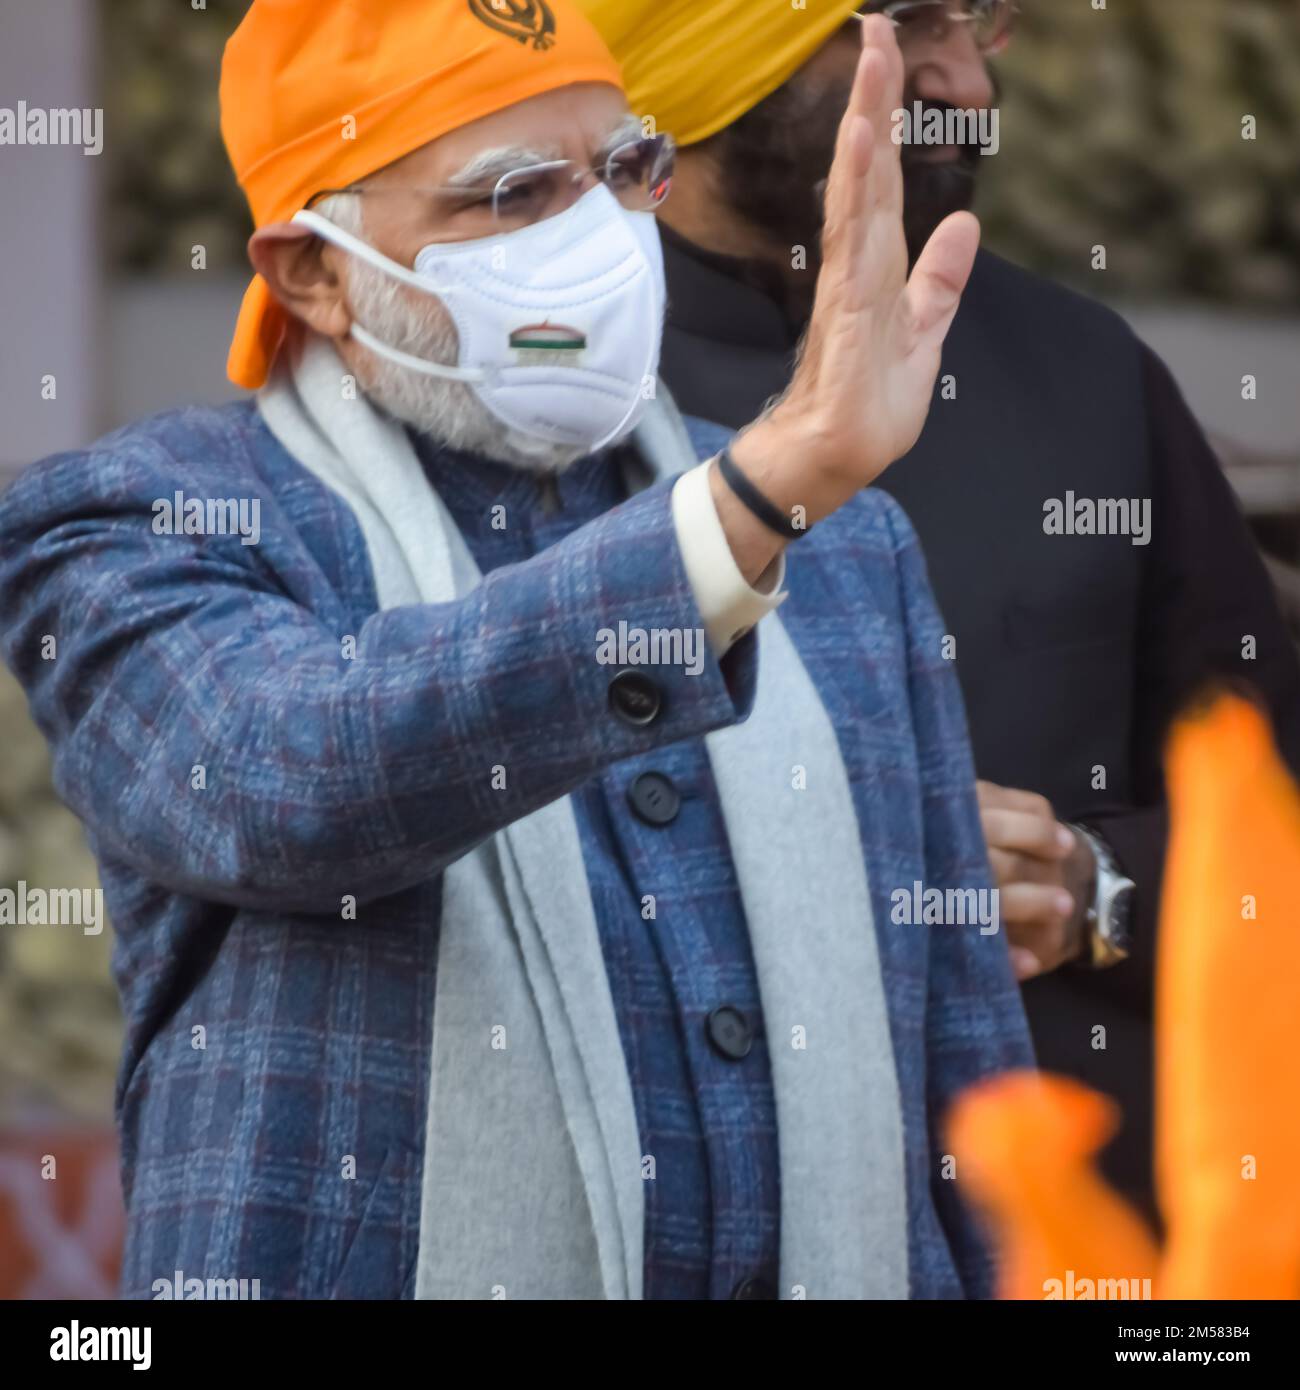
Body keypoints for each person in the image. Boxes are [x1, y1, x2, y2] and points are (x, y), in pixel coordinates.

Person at [0, 2, 1030, 1299]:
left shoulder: (853, 547)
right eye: (510, 195)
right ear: (312, 269)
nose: (592, 235)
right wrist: (744, 512)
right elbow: (284, 776)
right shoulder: (144, 515)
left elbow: (976, 1097)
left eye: (618, 172)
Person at [578, 0, 1300, 1217]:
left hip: (1067, 1239)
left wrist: (1097, 886)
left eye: (982, 25)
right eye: (906, 25)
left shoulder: (1089, 379)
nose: (966, 83)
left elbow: (1270, 803)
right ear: (699, 43)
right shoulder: (539, 402)